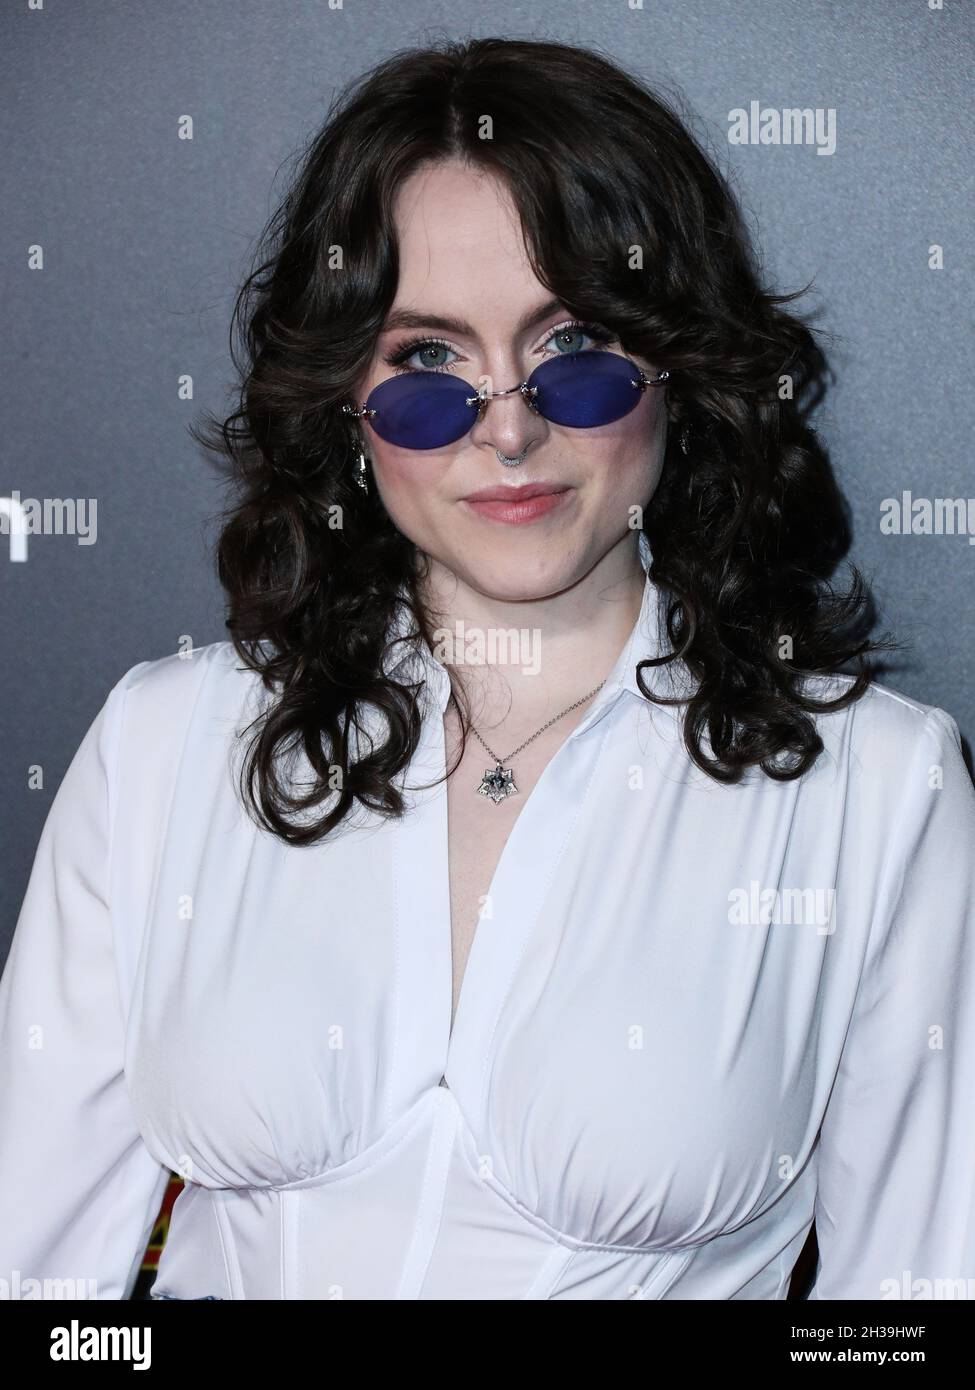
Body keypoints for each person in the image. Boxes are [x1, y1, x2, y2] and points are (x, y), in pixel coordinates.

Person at [1, 36, 973, 1302]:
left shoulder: (884, 793)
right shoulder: (161, 746)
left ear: (681, 375)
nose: (508, 428)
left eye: (573, 348)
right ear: (345, 407)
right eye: (426, 363)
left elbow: (910, 1312)